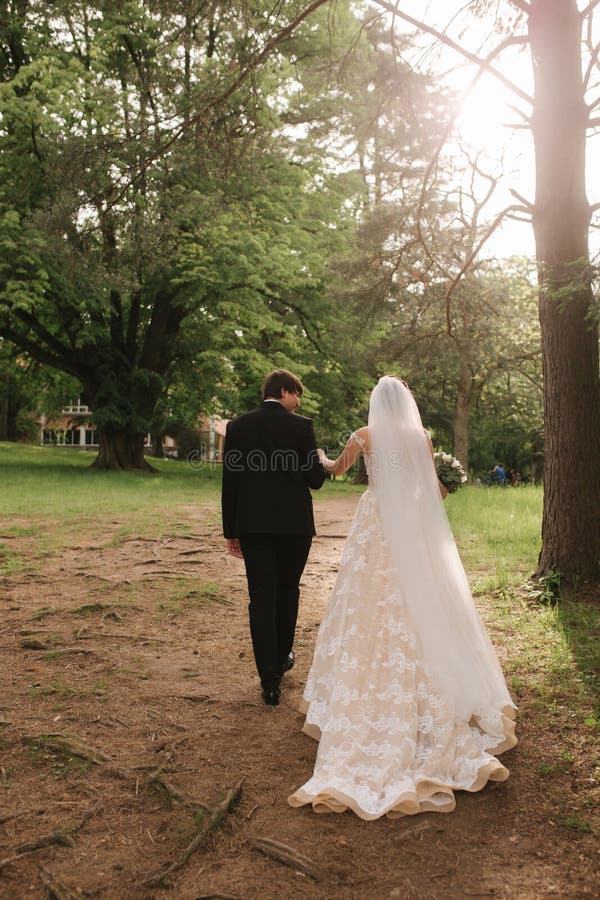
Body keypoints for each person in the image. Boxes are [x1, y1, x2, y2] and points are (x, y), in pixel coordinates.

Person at [288, 376, 517, 819]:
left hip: (376, 521)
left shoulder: (364, 436)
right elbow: (431, 489)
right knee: (417, 596)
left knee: (369, 597)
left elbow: (336, 469)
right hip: (409, 522)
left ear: (376, 403)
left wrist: (318, 457)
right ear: (407, 403)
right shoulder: (421, 438)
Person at [221, 369, 325, 706]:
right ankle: (282, 659)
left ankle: (269, 681)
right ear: (284, 390)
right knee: (287, 591)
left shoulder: (237, 427)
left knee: (261, 596)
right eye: (297, 395)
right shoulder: (302, 427)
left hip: (253, 525)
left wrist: (230, 531)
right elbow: (315, 480)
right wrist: (318, 460)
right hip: (295, 526)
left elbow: (230, 482)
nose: (298, 402)